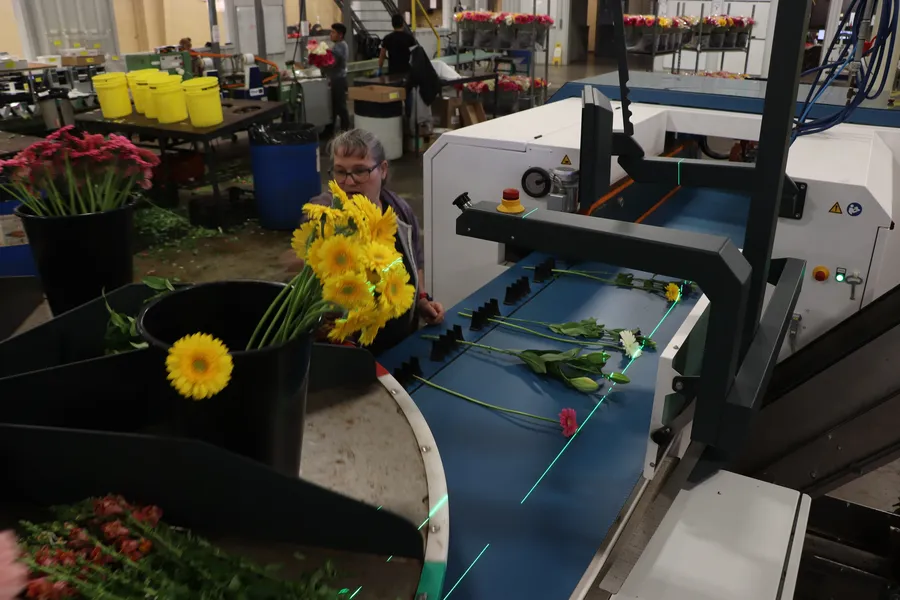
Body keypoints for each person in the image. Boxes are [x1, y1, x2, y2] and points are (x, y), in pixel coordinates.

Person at [287, 129, 445, 354]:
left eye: (360, 171)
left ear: (382, 170)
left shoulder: (399, 212)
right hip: (348, 347)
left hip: (400, 342)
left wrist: (420, 299)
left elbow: (415, 260)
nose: (348, 181)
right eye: (340, 172)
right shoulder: (324, 215)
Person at [324, 23, 351, 133]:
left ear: (340, 35)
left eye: (333, 32)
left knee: (340, 105)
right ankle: (330, 128)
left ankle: (345, 129)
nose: (331, 34)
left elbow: (332, 63)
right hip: (336, 78)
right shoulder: (339, 45)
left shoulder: (340, 46)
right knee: (334, 105)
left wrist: (321, 61)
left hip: (338, 80)